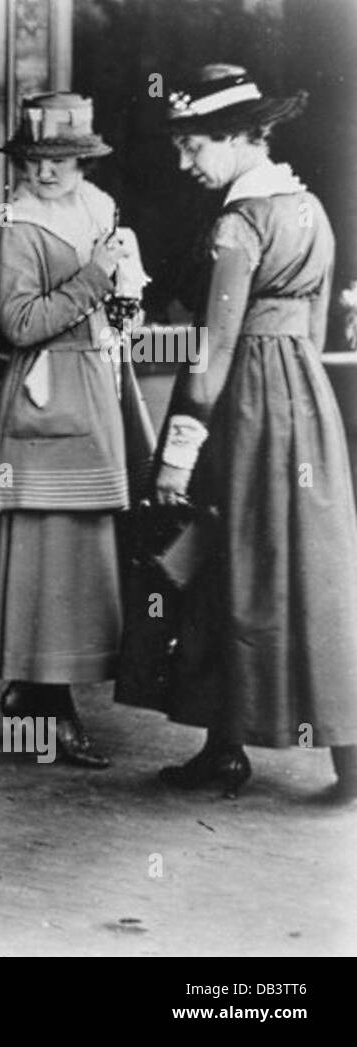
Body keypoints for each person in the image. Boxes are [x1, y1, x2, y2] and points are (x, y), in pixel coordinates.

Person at [143, 64, 357, 802]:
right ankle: (342, 758)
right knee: (311, 566)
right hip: (307, 402)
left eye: (196, 144)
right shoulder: (311, 209)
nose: (185, 160)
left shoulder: (237, 224)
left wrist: (177, 454)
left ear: (239, 137)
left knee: (223, 558)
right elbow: (319, 323)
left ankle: (224, 744)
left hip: (243, 407)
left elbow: (214, 349)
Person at [0, 92, 148, 768]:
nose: (46, 173)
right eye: (35, 160)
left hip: (96, 387)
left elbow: (117, 297)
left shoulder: (99, 209)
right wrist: (97, 277)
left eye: (61, 159)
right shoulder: (18, 224)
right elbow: (18, 324)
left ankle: (38, 698)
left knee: (84, 555)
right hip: (46, 396)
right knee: (50, 554)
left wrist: (126, 293)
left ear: (83, 159)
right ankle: (44, 701)